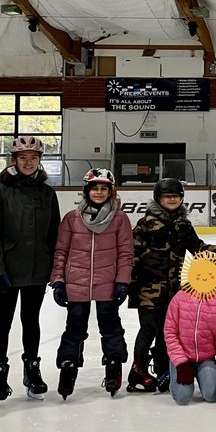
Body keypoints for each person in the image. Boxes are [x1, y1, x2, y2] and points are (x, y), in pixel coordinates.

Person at [0, 135, 60, 403]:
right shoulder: (0, 192)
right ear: (13, 160)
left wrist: (54, 269)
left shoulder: (47, 193)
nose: (29, 162)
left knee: (31, 320)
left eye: (34, 157)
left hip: (37, 270)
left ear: (40, 161)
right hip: (5, 271)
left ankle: (32, 370)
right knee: (2, 323)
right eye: (23, 157)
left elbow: (54, 234)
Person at [127, 178, 216, 393]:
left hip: (174, 290)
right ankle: (138, 370)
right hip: (148, 289)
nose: (172, 199)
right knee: (149, 328)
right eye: (167, 196)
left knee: (167, 331)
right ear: (158, 198)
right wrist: (129, 284)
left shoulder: (183, 225)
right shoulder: (146, 224)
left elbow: (198, 248)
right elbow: (133, 256)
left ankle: (162, 368)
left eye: (176, 196)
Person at [50, 169, 133, 400]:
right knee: (75, 328)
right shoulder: (71, 218)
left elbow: (126, 253)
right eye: (95, 188)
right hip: (76, 283)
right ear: (87, 191)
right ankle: (68, 366)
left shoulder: (119, 219)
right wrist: (58, 280)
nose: (99, 192)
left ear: (110, 191)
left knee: (111, 327)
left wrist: (122, 281)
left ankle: (114, 365)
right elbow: (61, 252)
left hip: (107, 284)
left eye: (104, 188)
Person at [164, 251, 216, 405]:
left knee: (212, 396)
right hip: (181, 357)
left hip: (205, 358)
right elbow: (170, 333)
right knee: (182, 398)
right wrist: (181, 363)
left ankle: (210, 376)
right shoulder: (179, 298)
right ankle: (175, 373)